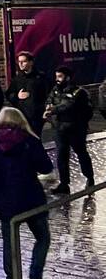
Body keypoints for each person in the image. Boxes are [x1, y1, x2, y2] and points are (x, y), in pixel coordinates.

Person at [0, 106, 54, 279]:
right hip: (30, 197)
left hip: (4, 198)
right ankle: (35, 277)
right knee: (42, 237)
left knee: (10, 244)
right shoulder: (29, 140)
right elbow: (46, 166)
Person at [44, 65, 95, 195]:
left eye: (60, 77)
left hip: (75, 128)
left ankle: (90, 178)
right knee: (61, 156)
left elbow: (69, 105)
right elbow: (49, 100)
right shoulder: (55, 90)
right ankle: (64, 184)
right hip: (60, 128)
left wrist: (53, 110)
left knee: (81, 153)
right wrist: (48, 108)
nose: (57, 79)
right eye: (56, 76)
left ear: (67, 77)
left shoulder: (78, 92)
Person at [4, 51, 48, 135]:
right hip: (22, 115)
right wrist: (17, 96)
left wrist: (45, 109)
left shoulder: (40, 77)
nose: (20, 64)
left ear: (31, 63)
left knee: (35, 138)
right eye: (19, 61)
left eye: (23, 61)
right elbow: (9, 94)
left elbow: (48, 93)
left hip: (36, 115)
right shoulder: (17, 79)